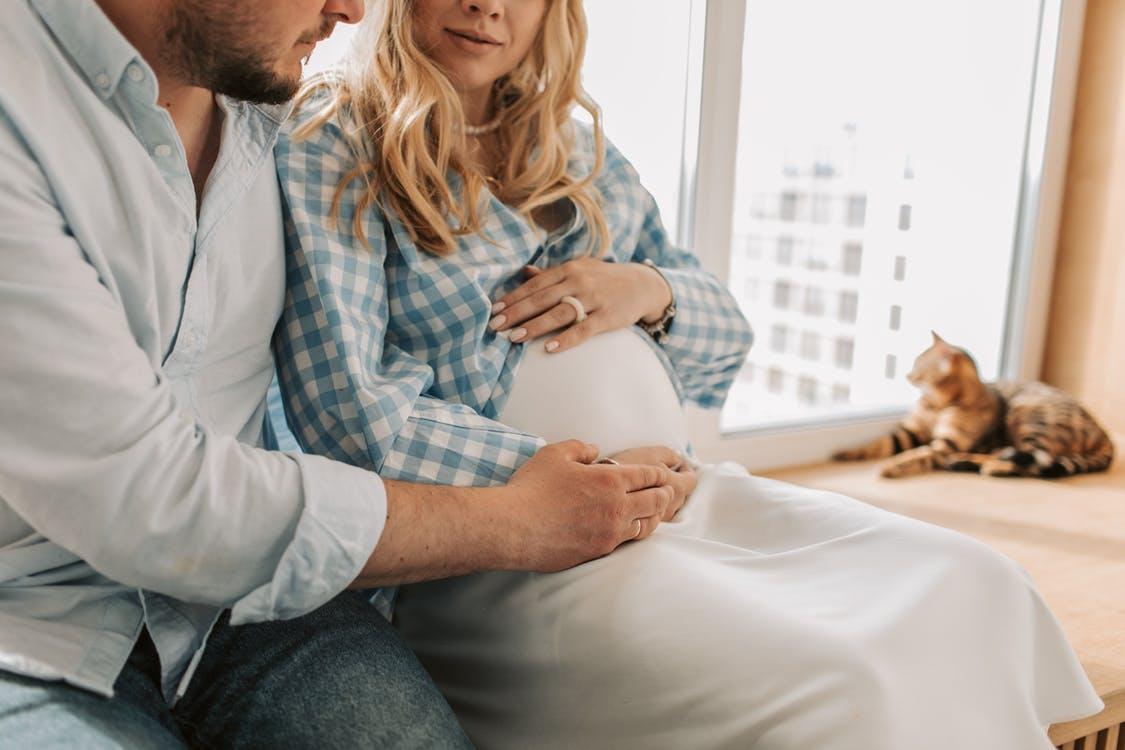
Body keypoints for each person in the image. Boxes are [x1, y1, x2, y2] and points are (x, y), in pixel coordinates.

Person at [274, 0, 1105, 747]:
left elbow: (725, 337)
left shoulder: (574, 148)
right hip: (505, 551)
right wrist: (584, 479)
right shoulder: (334, 140)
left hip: (682, 499)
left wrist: (648, 288)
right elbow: (350, 416)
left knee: (976, 583)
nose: (487, 6)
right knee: (842, 678)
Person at [0, 1, 684, 746]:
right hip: (30, 615)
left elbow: (715, 329)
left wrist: (652, 291)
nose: (353, 8)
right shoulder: (23, 109)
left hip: (245, 605)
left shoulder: (259, 106)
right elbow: (153, 495)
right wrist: (528, 516)